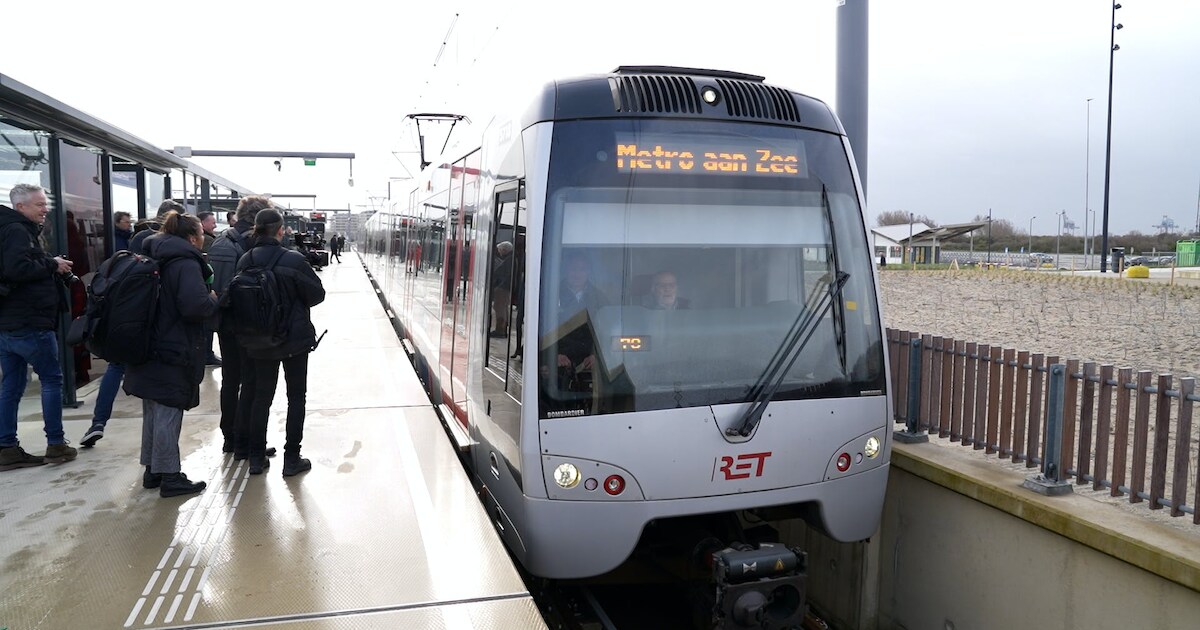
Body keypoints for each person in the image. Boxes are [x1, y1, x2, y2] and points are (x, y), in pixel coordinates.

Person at [122, 211, 217, 497]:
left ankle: (153, 470)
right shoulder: (185, 263)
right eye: (201, 232)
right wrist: (213, 300)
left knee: (153, 409)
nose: (203, 238)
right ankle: (170, 476)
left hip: (149, 343)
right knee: (167, 409)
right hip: (172, 346)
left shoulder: (152, 254)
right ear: (191, 237)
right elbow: (194, 307)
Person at [238, 209, 326, 476]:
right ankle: (291, 459)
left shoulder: (246, 259)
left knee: (261, 398)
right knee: (296, 397)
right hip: (293, 340)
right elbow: (316, 295)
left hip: (260, 340)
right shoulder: (294, 260)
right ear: (280, 230)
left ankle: (255, 458)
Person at [0, 183, 78, 470]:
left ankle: (7, 448)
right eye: (39, 204)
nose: (45, 209)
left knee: (11, 385)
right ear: (20, 207)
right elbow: (17, 269)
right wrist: (52, 265)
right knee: (51, 380)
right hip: (30, 321)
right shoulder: (18, 231)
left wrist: (46, 260)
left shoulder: (8, 228)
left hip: (8, 324)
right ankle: (56, 445)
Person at [210, 195, 275, 459]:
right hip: (247, 325)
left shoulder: (219, 241)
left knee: (230, 379)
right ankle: (245, 439)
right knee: (251, 382)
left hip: (224, 323)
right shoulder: (251, 245)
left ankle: (230, 437)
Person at [555, 252, 608, 373]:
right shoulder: (552, 294)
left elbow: (607, 331)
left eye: (582, 269)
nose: (577, 274)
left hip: (589, 361)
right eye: (573, 269)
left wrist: (597, 356)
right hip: (558, 361)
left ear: (588, 272)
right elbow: (541, 330)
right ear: (566, 270)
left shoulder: (600, 298)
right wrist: (553, 356)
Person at [196, 211, 221, 366]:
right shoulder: (209, 242)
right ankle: (207, 354)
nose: (215, 225)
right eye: (212, 222)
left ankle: (206, 354)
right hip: (207, 288)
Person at [490, 241, 514, 337]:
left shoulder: (509, 260)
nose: (499, 252)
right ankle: (502, 328)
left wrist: (498, 286)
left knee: (499, 307)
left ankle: (500, 329)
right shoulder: (510, 259)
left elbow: (503, 274)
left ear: (504, 250)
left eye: (500, 250)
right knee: (502, 307)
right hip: (505, 287)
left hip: (503, 288)